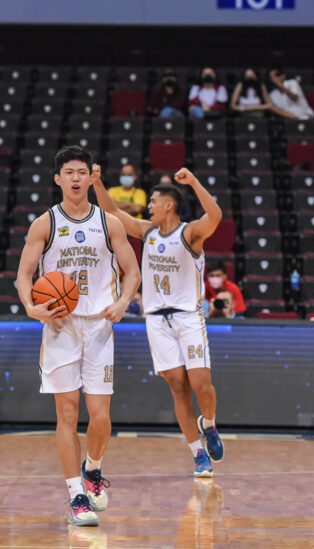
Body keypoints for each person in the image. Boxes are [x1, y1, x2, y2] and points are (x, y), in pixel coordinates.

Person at [16, 146, 141, 527]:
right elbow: (23, 275)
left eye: (81, 172)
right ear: (58, 179)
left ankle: (94, 466)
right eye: (68, 172)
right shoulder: (44, 223)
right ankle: (76, 496)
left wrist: (123, 301)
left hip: (101, 325)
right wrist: (30, 307)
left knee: (101, 418)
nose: (74, 178)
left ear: (91, 177)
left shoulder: (110, 223)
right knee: (67, 414)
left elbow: (132, 272)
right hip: (60, 327)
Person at [96, 164, 224, 478]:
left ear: (168, 205)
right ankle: (198, 455)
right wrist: (97, 182)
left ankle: (208, 424)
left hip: (188, 317)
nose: (148, 206)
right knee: (178, 388)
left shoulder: (190, 233)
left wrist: (193, 181)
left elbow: (216, 216)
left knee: (201, 386)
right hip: (155, 320)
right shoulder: (147, 232)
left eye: (153, 202)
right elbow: (111, 211)